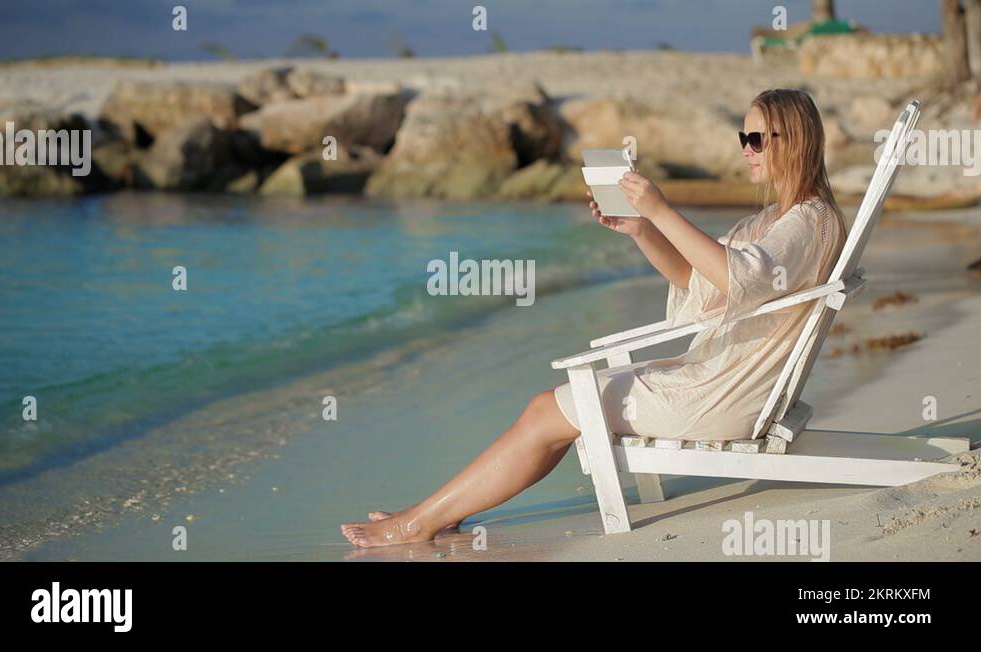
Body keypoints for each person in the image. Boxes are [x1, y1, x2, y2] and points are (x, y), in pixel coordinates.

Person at [341, 88, 848, 548]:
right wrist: (643, 228)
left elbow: (741, 276)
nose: (746, 148)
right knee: (552, 412)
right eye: (744, 136)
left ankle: (418, 523)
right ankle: (435, 514)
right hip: (727, 380)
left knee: (548, 411)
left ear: (794, 140)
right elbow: (703, 283)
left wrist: (663, 210)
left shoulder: (806, 221)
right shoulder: (776, 221)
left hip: (727, 393)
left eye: (757, 137)